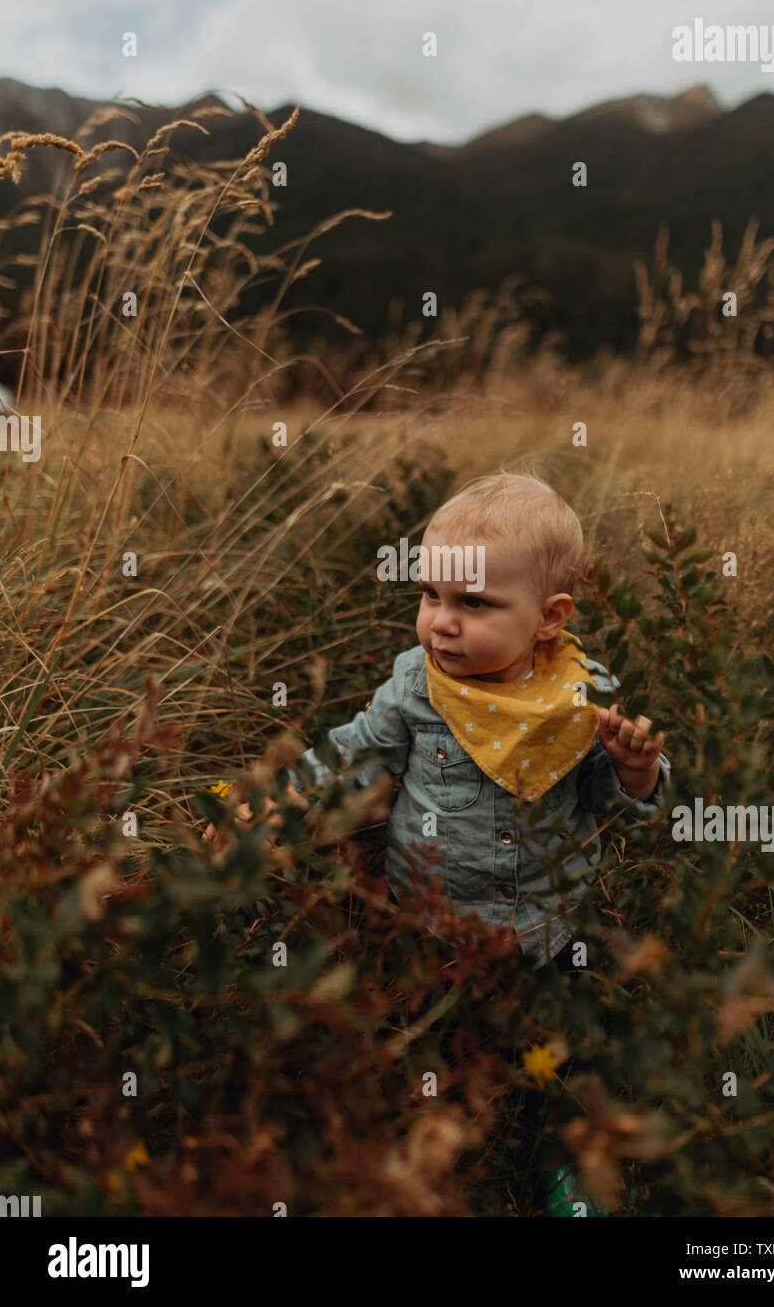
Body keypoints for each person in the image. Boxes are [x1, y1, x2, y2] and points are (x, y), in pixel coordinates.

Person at [205, 471, 671, 1214]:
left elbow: (616, 798)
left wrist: (633, 766)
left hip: (546, 926)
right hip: (432, 918)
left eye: (474, 604)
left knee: (553, 1051)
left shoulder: (580, 696)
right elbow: (353, 751)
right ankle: (434, 1158)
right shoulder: (416, 688)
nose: (441, 624)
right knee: (436, 1047)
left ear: (549, 617)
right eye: (430, 597)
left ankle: (562, 1165)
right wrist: (271, 801)